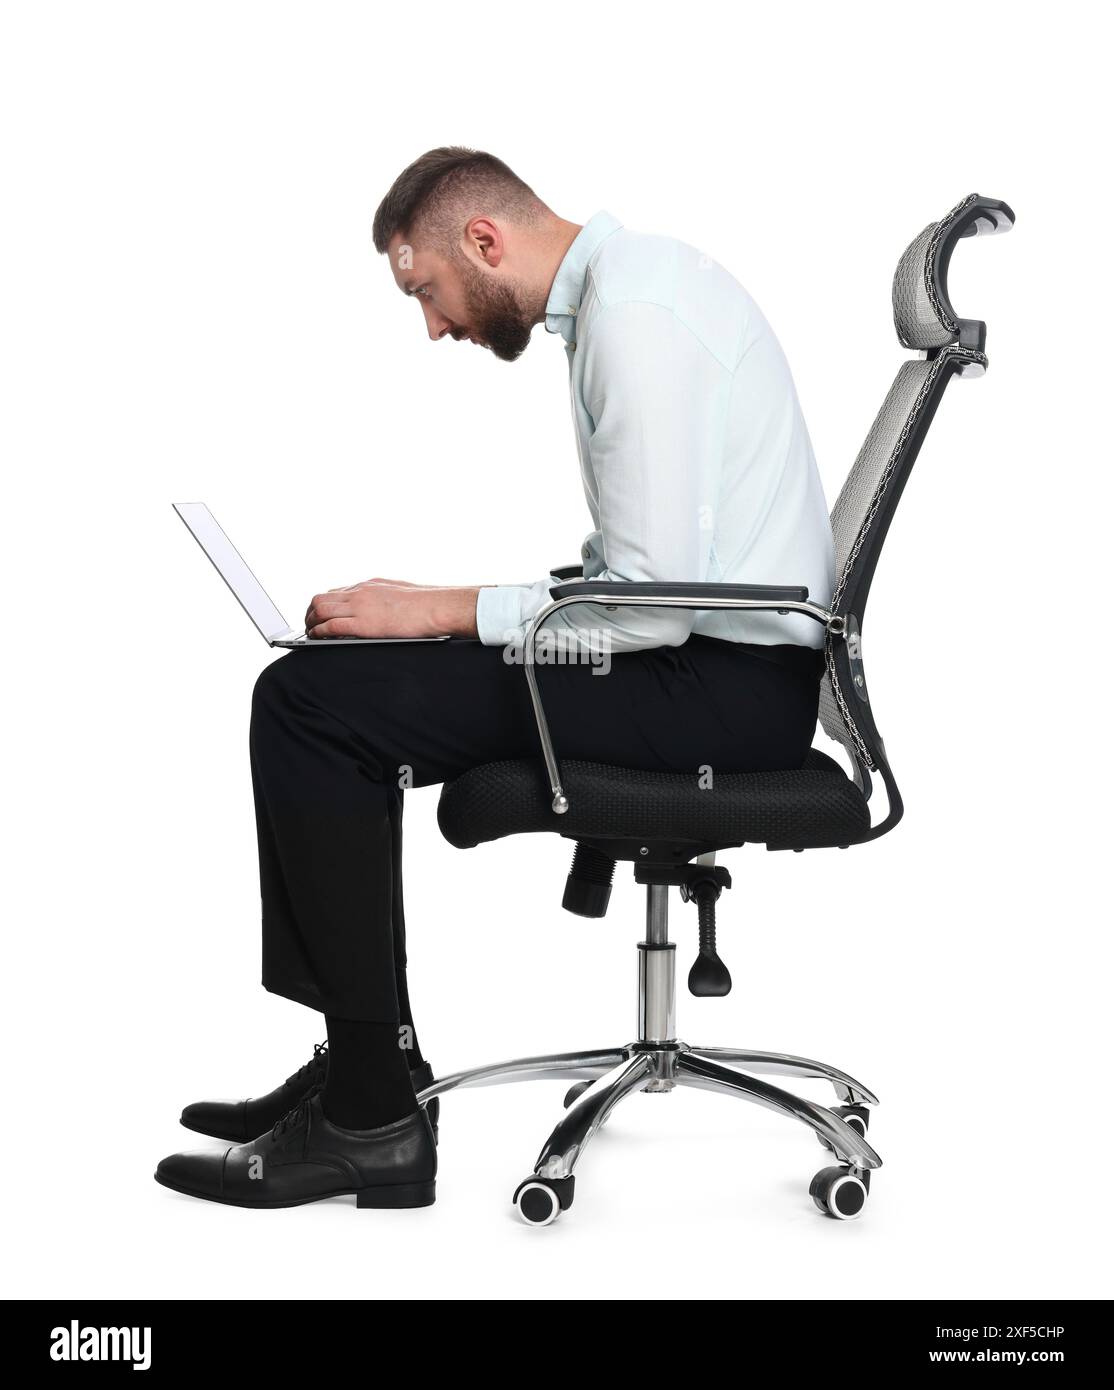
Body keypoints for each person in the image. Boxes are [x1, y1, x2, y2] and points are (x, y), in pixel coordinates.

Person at [155, 147, 835, 1210]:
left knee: (307, 707)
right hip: (709, 664)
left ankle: (371, 1114)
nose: (432, 325)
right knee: (340, 686)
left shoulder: (638, 316)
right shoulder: (630, 295)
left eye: (423, 289)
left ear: (482, 242)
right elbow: (645, 580)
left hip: (717, 687)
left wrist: (436, 609)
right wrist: (432, 623)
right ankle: (368, 1063)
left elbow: (650, 609)